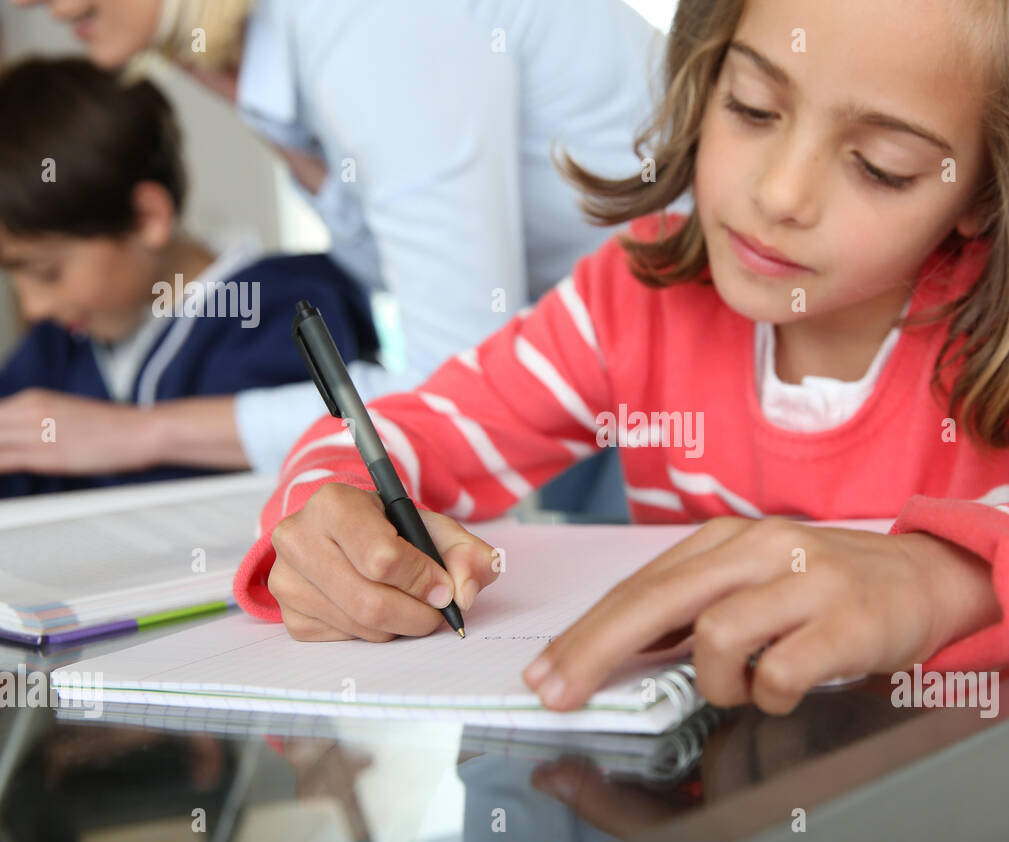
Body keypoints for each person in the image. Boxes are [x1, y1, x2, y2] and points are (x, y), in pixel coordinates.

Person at [238, 0, 1009, 726]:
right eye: (751, 106)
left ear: (985, 187)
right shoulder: (636, 297)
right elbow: (409, 435)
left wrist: (952, 576)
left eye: (880, 165)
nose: (778, 192)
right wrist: (328, 510)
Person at [10, 0, 662, 516]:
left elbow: (460, 391)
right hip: (606, 361)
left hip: (670, 350)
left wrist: (139, 434)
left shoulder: (375, 26)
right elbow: (399, 266)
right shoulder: (280, 60)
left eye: (45, 270)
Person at [0, 57, 375, 496]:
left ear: (147, 217)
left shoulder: (285, 313)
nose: (33, 306)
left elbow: (338, 464)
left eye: (48, 272)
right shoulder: (54, 352)